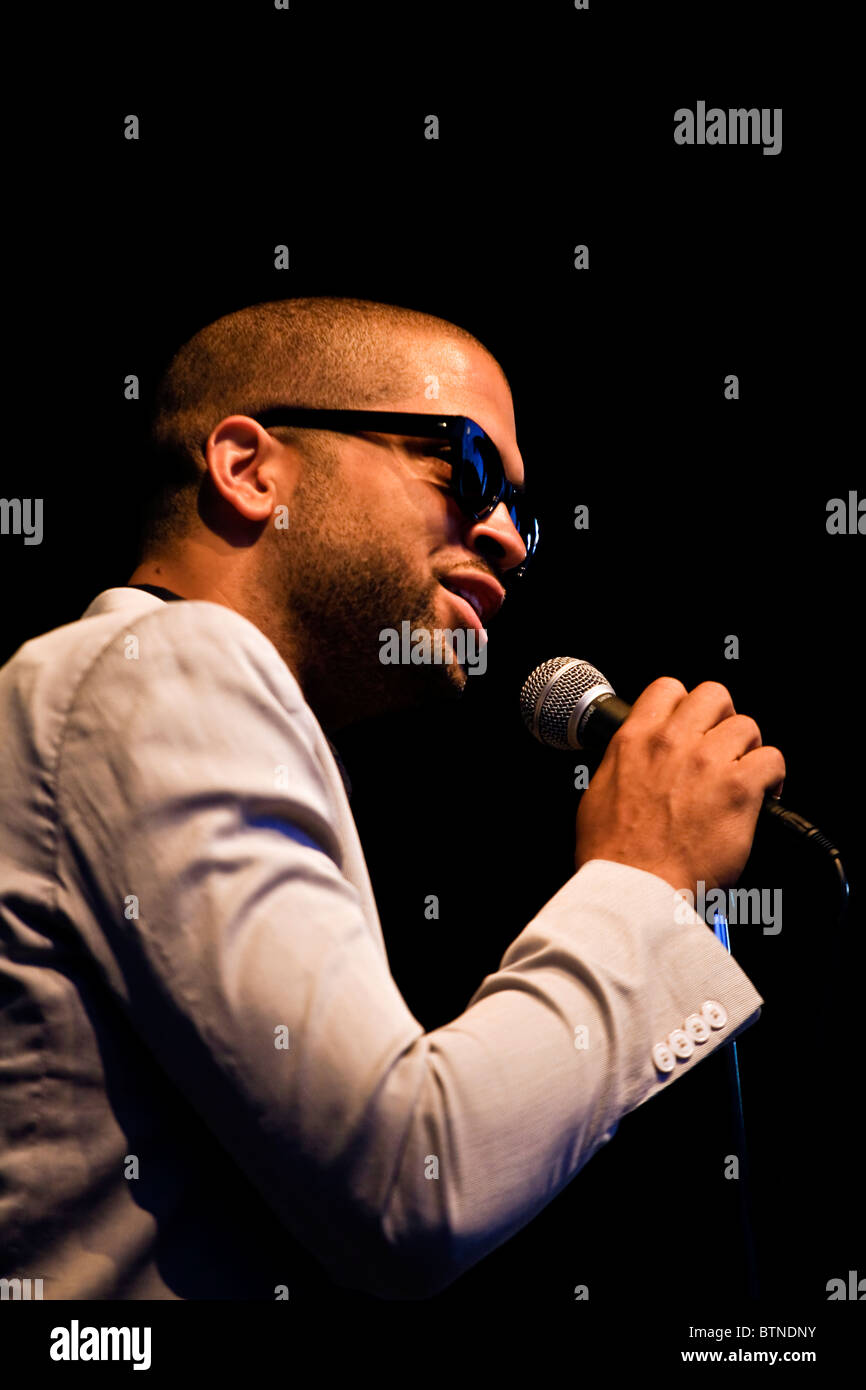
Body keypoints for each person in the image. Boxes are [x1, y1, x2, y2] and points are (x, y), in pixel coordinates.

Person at [0, 297, 784, 1301]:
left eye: (521, 508)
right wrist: (642, 874)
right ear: (251, 470)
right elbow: (415, 1180)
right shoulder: (162, 662)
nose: (509, 537)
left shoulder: (180, 696)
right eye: (465, 467)